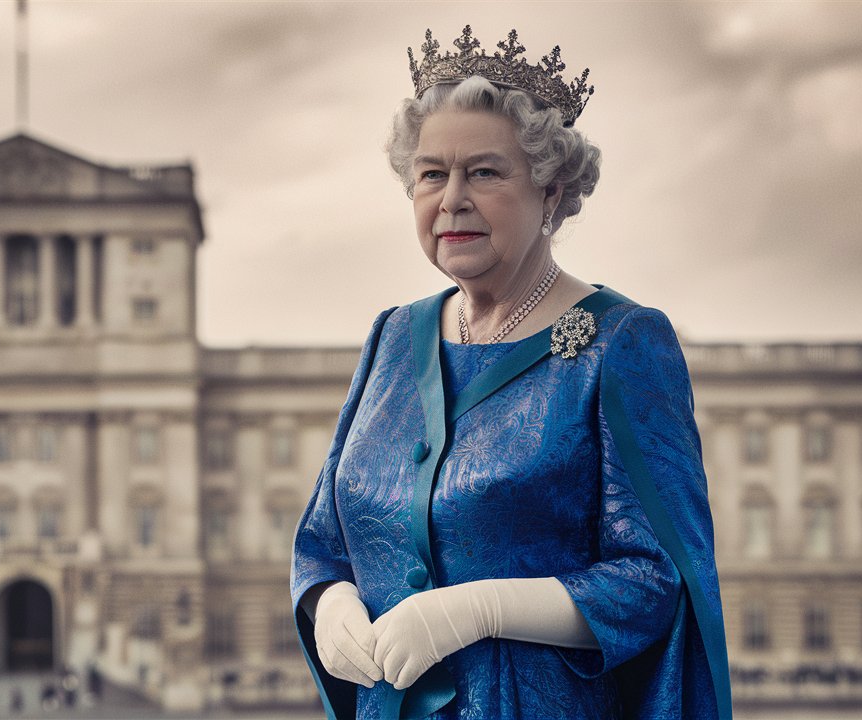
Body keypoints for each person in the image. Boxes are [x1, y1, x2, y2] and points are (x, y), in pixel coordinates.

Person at [290, 25, 731, 720]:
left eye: (485, 172)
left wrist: (486, 608)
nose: (452, 199)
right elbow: (322, 543)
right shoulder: (390, 337)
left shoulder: (624, 341)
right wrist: (328, 604)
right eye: (432, 173)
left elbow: (657, 580)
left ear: (552, 191)